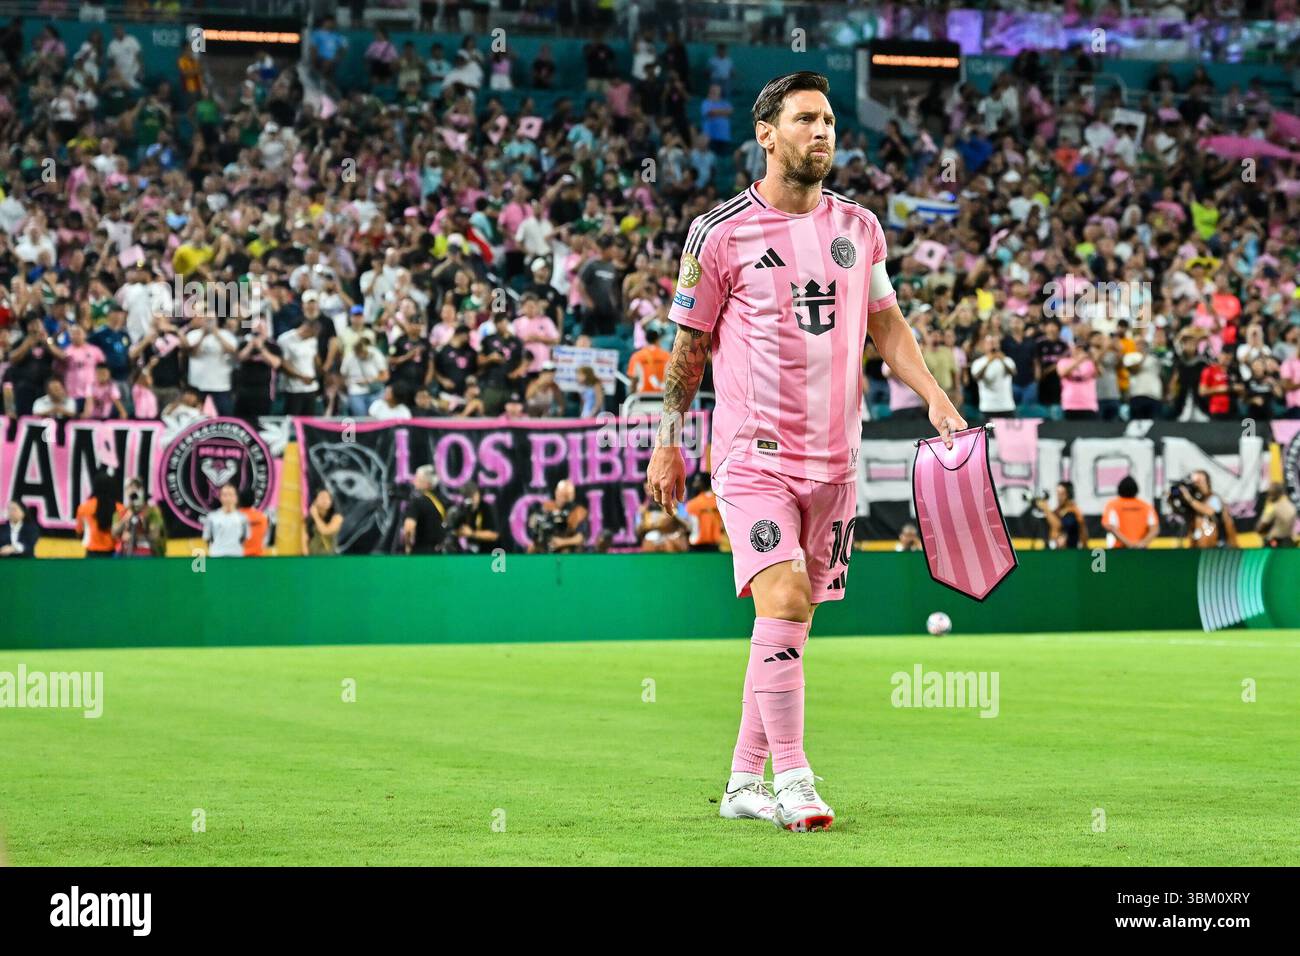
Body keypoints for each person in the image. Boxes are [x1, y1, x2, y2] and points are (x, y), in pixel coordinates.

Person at [645, 71, 967, 832]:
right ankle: (794, 780)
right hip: (753, 458)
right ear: (766, 133)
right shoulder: (718, 233)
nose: (821, 132)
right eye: (803, 120)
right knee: (783, 600)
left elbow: (886, 325)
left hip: (836, 463)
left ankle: (739, 783)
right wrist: (668, 440)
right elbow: (688, 349)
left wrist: (933, 393)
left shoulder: (860, 228)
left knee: (790, 625)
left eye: (827, 120)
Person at [1176, 470, 1237, 549]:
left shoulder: (1214, 498)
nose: (1196, 484)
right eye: (1194, 481)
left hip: (1217, 546)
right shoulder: (1197, 500)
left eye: (1199, 481)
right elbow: (1185, 514)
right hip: (1198, 545)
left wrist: (1189, 499)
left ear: (1207, 482)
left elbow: (1209, 511)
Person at [526, 479, 588, 553]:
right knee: (531, 549)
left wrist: (562, 542)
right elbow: (537, 525)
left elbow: (580, 538)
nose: (563, 498)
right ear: (556, 492)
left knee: (566, 552)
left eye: (566, 495)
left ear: (572, 496)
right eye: (561, 494)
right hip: (547, 542)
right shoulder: (547, 507)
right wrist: (535, 522)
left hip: (567, 545)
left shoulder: (578, 511)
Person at [75, 470, 126, 558]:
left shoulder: (84, 508)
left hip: (91, 554)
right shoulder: (120, 509)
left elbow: (79, 532)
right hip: (113, 555)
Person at [111, 477, 166, 557]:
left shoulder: (152, 511)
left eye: (137, 487)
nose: (133, 490)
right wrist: (127, 516)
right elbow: (114, 533)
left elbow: (154, 535)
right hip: (124, 551)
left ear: (142, 491)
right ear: (126, 492)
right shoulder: (120, 512)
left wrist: (144, 520)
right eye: (130, 488)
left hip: (146, 551)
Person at [1101, 476, 1159, 550]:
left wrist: (1129, 544)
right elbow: (1154, 529)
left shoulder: (1113, 505)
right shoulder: (1145, 506)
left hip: (1120, 549)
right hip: (1141, 550)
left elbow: (1110, 527)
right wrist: (1142, 543)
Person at [403, 464, 447, 554]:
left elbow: (409, 528)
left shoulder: (417, 502)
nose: (414, 481)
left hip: (421, 553)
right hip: (438, 552)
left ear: (426, 484)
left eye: (417, 479)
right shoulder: (441, 501)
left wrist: (408, 546)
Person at [970, 334, 1016, 419]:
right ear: (984, 345)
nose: (993, 345)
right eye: (990, 343)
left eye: (995, 343)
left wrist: (1002, 360)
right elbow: (976, 377)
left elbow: (1013, 373)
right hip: (988, 407)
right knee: (988, 432)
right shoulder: (978, 362)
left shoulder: (1007, 360)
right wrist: (988, 362)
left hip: (1007, 406)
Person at [450, 481, 500, 554]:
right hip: (475, 552)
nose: (470, 498)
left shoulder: (487, 508)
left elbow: (494, 535)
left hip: (490, 553)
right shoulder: (468, 509)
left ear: (478, 493)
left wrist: (472, 534)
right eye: (467, 496)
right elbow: (461, 529)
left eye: (472, 495)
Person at [202, 483, 249, 557]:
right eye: (225, 495)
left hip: (236, 556)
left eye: (231, 495)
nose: (228, 498)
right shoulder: (212, 517)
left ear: (236, 498)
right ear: (220, 497)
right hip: (217, 555)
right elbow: (207, 538)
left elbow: (245, 538)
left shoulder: (242, 518)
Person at [1035, 481, 1085, 550]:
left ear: (1069, 495)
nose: (1059, 497)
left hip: (1070, 552)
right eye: (1058, 494)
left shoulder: (1073, 512)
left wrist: (1046, 508)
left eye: (1062, 494)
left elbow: (1058, 525)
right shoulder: (1057, 510)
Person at [628, 328, 670, 393]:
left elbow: (633, 380)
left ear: (646, 340)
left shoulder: (636, 356)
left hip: (642, 396)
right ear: (657, 340)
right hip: (662, 396)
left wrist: (631, 394)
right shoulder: (667, 356)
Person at [302, 488, 342, 555]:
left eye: (328, 498)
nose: (325, 500)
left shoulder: (337, 518)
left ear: (331, 502)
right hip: (312, 558)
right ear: (315, 501)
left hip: (329, 558)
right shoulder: (306, 521)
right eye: (322, 497)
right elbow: (303, 542)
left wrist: (315, 516)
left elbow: (325, 531)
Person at [1257, 482, 1297, 548]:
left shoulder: (1273, 507)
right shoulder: (1291, 506)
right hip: (1289, 541)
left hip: (1274, 542)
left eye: (1270, 493)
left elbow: (1261, 527)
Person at [240, 487, 270, 557]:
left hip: (240, 559)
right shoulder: (262, 518)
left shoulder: (235, 518)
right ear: (254, 500)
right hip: (258, 558)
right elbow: (266, 539)